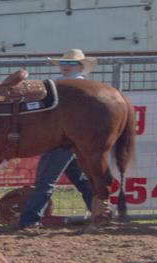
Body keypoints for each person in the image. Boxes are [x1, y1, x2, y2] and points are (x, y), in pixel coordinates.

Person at [18, 50, 100, 231]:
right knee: (79, 179)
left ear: (80, 66)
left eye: (70, 64)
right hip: (68, 139)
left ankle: (30, 219)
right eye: (64, 63)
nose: (65, 66)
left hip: (61, 139)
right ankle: (99, 213)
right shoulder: (70, 84)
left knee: (45, 178)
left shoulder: (70, 85)